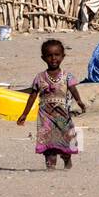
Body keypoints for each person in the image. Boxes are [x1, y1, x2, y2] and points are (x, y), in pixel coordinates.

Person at [18, 39, 85, 169]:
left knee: (66, 138)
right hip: (45, 115)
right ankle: (50, 164)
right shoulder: (39, 77)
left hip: (62, 115)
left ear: (63, 56)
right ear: (43, 58)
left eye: (57, 55)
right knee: (48, 141)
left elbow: (73, 89)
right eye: (49, 55)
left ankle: (67, 160)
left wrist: (79, 102)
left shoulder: (67, 76)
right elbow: (32, 96)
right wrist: (24, 114)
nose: (53, 58)